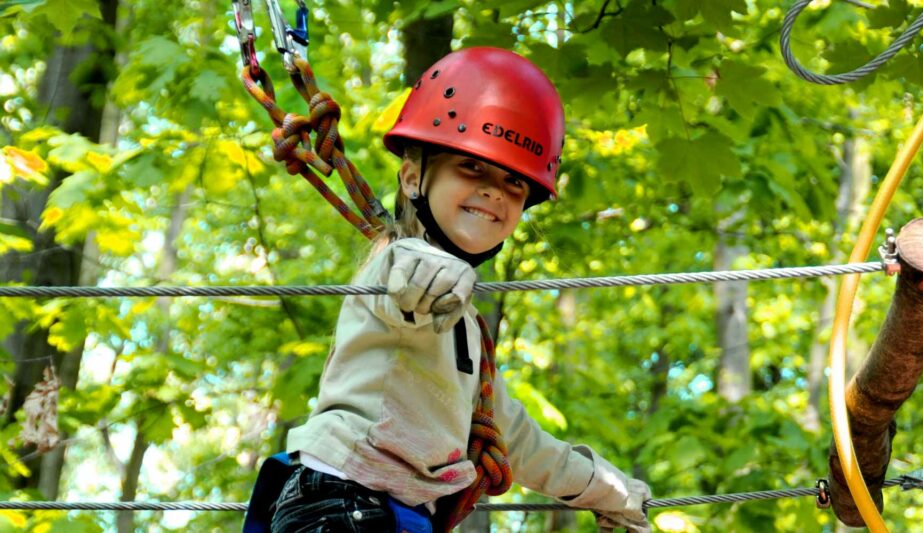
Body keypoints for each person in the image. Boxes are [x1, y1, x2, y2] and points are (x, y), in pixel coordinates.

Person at [268, 47, 651, 533]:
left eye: (514, 182)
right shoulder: (397, 264)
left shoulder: (469, 331)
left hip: (388, 514)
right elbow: (407, 281)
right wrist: (434, 273)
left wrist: (608, 489)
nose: (494, 191)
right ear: (413, 178)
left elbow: (517, 441)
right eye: (471, 168)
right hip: (341, 501)